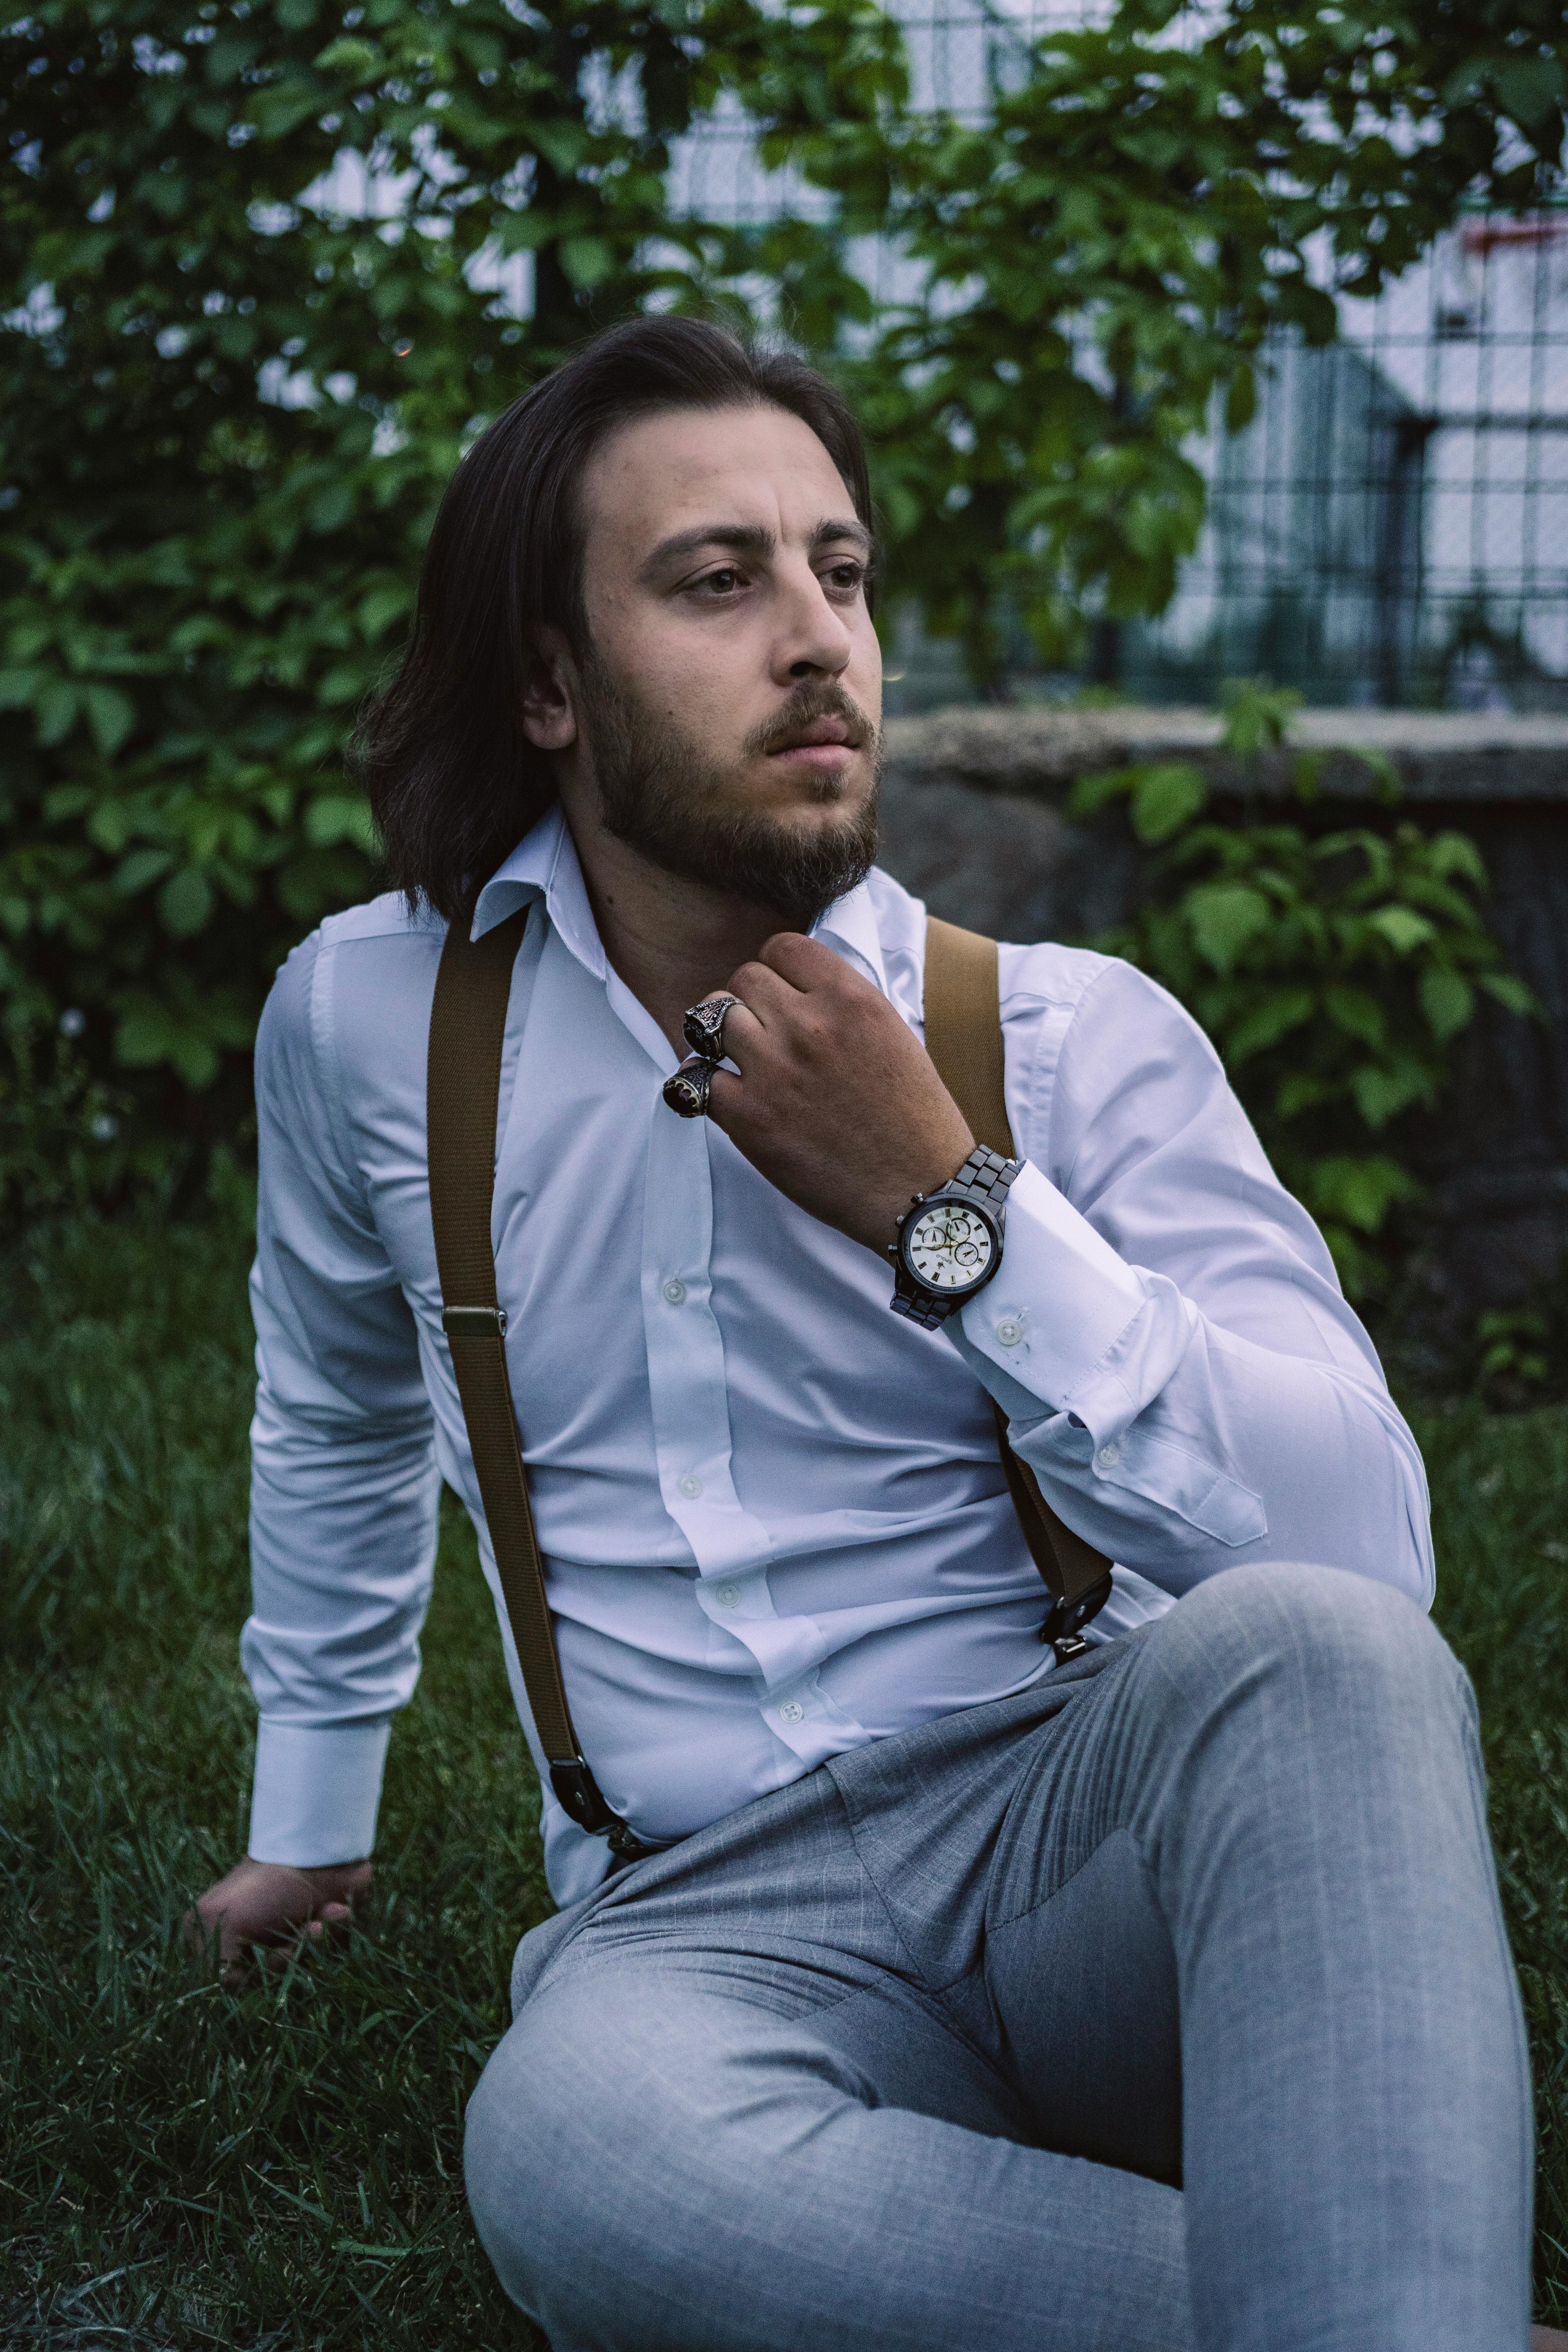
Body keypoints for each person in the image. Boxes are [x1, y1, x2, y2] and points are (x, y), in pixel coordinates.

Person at [192, 316, 1535, 2351]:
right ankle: (1365, 2307)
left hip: (1084, 1831)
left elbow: (1371, 1571)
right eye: (717, 581)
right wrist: (311, 1814)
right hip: (699, 1919)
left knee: (1315, 1656)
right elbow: (340, 1404)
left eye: (841, 571)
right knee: (575, 2152)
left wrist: (955, 1209)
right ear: (546, 683)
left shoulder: (1068, 1037)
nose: (817, 636)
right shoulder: (374, 1025)